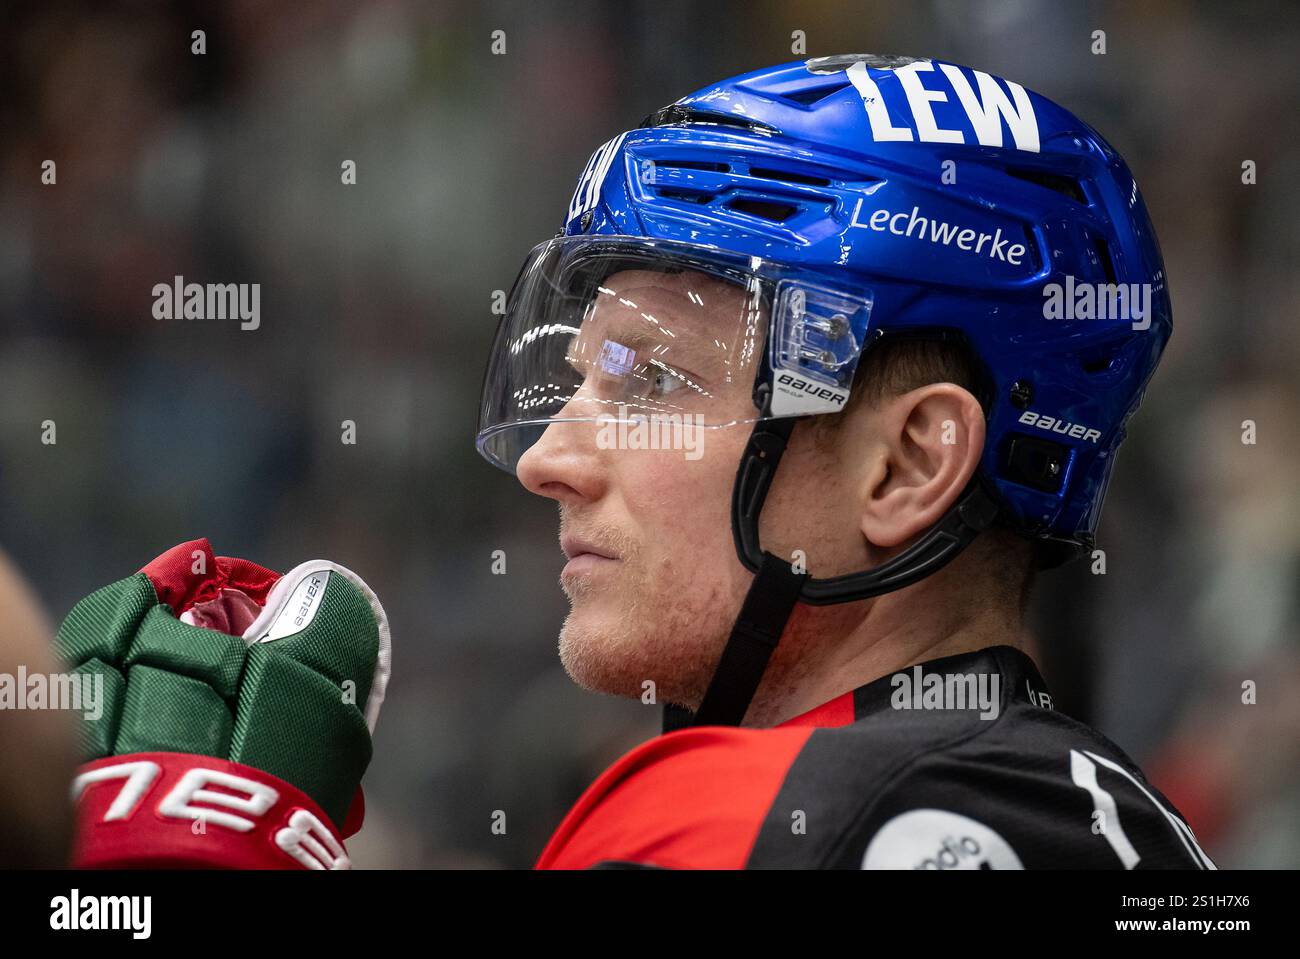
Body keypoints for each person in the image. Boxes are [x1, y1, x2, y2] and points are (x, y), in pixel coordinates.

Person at [476, 54, 1216, 868]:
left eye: (654, 380)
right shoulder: (1154, 839)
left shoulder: (721, 824)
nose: (546, 461)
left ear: (907, 466)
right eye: (582, 381)